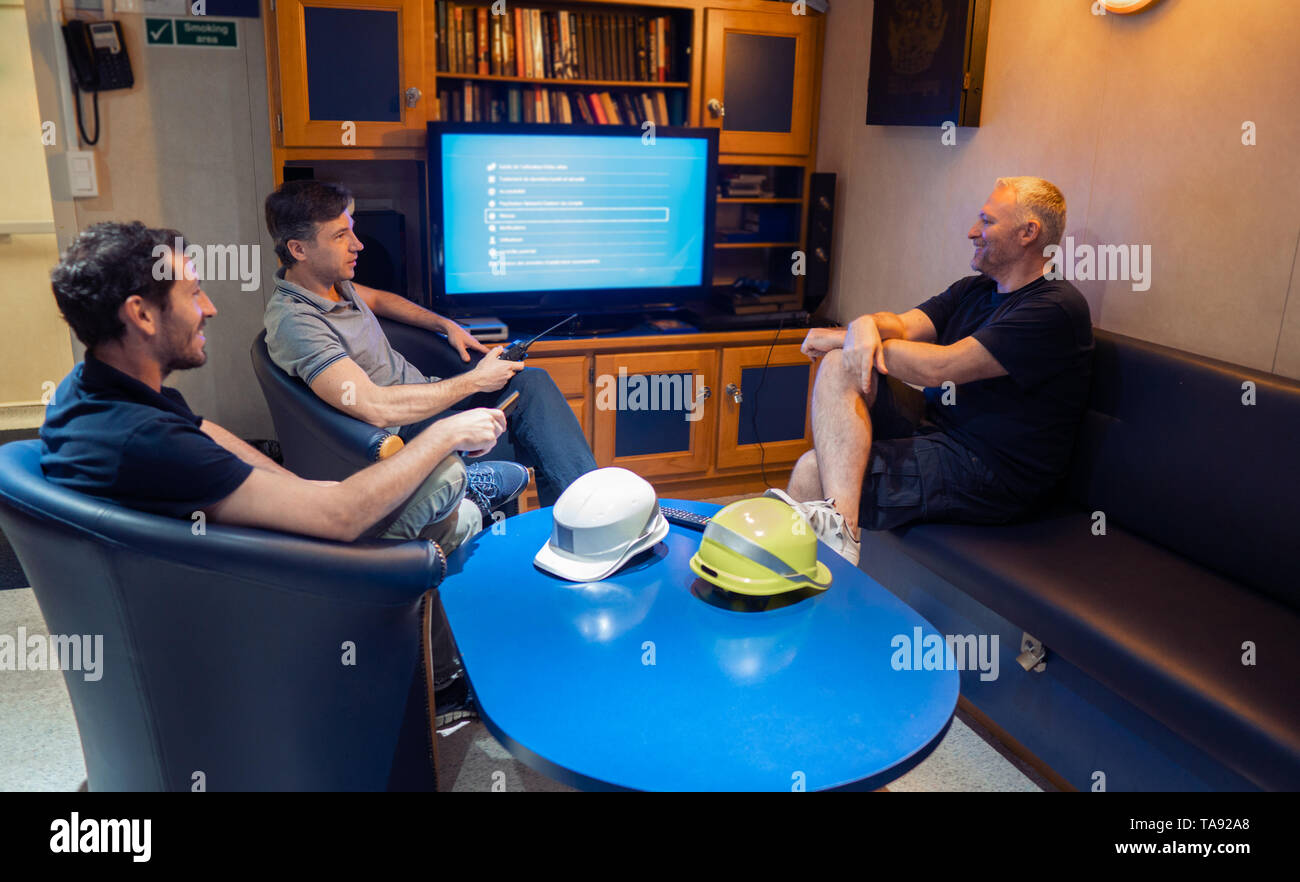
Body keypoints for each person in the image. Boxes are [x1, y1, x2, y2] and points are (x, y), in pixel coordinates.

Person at [40, 221, 502, 721]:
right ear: (141, 315)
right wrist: (445, 434)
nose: (210, 308)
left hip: (211, 578)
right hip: (262, 599)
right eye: (194, 293)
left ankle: (435, 673)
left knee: (453, 516)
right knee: (449, 491)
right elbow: (341, 519)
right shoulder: (145, 441)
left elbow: (205, 431)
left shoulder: (91, 389)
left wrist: (299, 489)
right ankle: (436, 681)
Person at [773, 177, 1094, 566]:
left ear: (1029, 232)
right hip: (938, 429)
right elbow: (903, 324)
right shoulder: (974, 290)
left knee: (814, 470)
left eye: (987, 222)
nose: (972, 232)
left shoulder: (1054, 308)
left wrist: (851, 339)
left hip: (991, 472)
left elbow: (943, 367)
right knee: (840, 365)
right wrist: (861, 327)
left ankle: (831, 551)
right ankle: (840, 532)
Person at [261, 180, 597, 507]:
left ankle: (582, 509)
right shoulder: (296, 321)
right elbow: (373, 407)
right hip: (396, 431)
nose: (357, 244)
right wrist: (476, 381)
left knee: (532, 383)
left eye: (351, 229)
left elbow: (378, 299)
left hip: (423, 396)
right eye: (339, 236)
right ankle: (584, 516)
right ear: (298, 249)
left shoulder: (330, 284)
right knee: (534, 426)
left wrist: (445, 324)